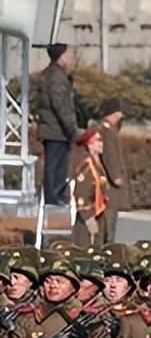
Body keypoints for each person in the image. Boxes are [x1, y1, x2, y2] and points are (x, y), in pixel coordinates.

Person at [35, 43, 78, 207]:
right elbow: (61, 105)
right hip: (56, 129)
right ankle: (54, 197)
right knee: (55, 166)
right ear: (60, 57)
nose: (71, 58)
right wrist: (71, 128)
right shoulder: (56, 77)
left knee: (57, 165)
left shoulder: (51, 74)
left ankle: (56, 196)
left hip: (54, 128)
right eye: (68, 55)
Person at [96, 98, 131, 243]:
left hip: (107, 182)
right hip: (109, 185)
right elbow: (110, 156)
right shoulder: (108, 132)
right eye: (117, 115)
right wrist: (116, 176)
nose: (119, 119)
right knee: (108, 221)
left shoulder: (105, 130)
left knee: (107, 220)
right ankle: (107, 248)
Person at [71, 129, 110, 246]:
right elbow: (81, 193)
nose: (101, 144)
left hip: (99, 214)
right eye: (98, 141)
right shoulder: (87, 165)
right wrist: (88, 218)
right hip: (88, 217)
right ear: (89, 144)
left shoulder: (99, 164)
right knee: (85, 248)